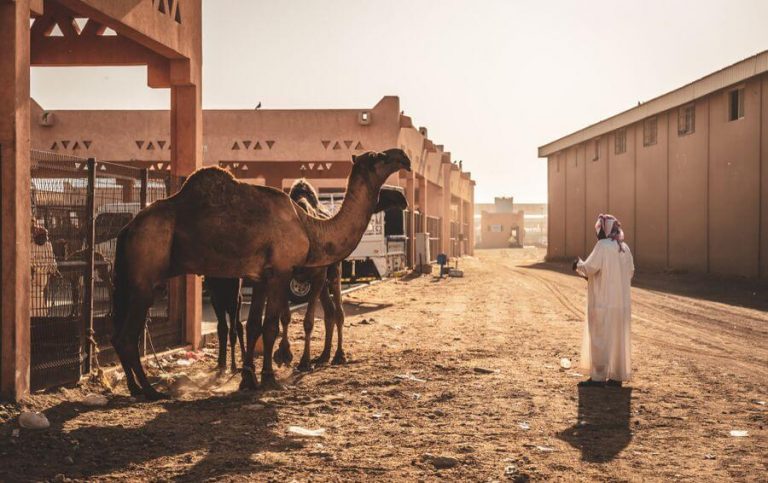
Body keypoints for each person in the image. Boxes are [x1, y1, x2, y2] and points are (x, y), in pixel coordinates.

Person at [571, 214, 634, 388]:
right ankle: (617, 376)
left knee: (600, 339)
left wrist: (578, 264)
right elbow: (630, 271)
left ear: (604, 230)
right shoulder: (624, 248)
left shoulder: (602, 246)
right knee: (617, 340)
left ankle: (598, 378)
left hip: (603, 303)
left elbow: (590, 268)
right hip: (621, 304)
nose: (597, 233)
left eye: (598, 229)